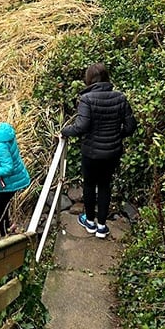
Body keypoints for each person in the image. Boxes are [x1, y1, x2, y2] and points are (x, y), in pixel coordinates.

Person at [61, 63, 136, 239]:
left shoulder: (87, 99)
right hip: (112, 152)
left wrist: (64, 131)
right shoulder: (120, 98)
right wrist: (116, 136)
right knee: (104, 186)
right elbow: (131, 126)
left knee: (89, 185)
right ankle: (102, 226)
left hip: (91, 153)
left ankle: (89, 222)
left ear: (89, 79)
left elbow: (81, 126)